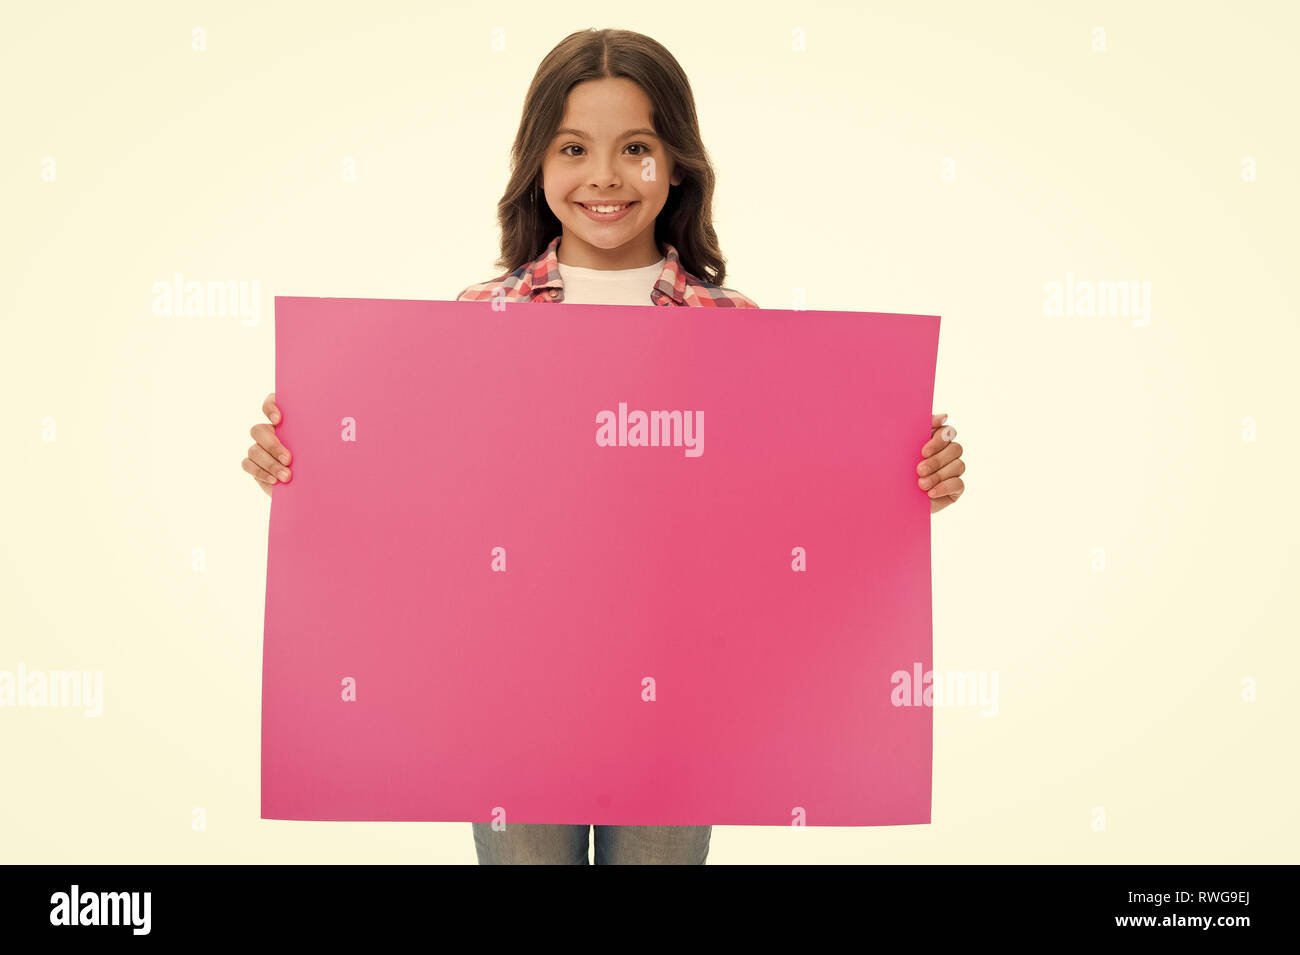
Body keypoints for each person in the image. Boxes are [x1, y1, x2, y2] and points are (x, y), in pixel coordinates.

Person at [241, 28, 966, 864]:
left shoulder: (735, 332)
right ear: (538, 164)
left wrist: (907, 477)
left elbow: (794, 511)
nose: (606, 177)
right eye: (575, 147)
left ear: (677, 164)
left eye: (637, 149)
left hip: (684, 706)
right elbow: (427, 499)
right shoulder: (477, 319)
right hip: (512, 695)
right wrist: (305, 465)